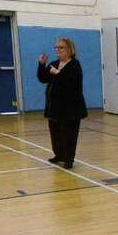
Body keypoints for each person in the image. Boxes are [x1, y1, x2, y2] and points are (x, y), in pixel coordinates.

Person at [36, 37, 87, 169]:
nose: (57, 50)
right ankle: (59, 155)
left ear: (69, 50)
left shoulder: (75, 65)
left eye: (61, 47)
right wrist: (42, 65)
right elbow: (43, 78)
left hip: (71, 108)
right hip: (54, 107)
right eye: (56, 47)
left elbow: (72, 86)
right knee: (55, 133)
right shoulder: (54, 63)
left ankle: (69, 159)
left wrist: (58, 74)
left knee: (69, 134)